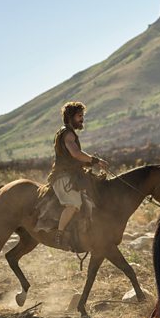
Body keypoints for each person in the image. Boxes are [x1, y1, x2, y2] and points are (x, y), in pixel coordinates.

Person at [45, 101, 108, 248]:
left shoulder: (68, 133)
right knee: (74, 204)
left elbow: (75, 157)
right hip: (62, 176)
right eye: (79, 116)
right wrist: (95, 160)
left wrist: (89, 162)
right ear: (70, 117)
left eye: (82, 116)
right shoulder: (67, 134)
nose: (82, 119)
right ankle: (59, 235)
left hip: (72, 174)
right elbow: (76, 153)